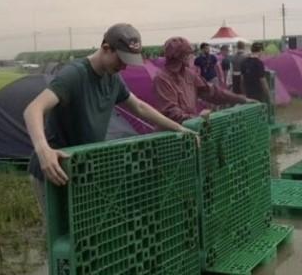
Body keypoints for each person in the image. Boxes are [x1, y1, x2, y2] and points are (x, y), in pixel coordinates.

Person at [24, 23, 195, 209]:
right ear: (106, 48)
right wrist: (43, 151)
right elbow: (33, 109)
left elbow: (139, 106)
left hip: (80, 169)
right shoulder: (75, 74)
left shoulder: (113, 77)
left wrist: (179, 128)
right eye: (121, 60)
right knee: (59, 234)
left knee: (80, 229)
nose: (123, 67)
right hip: (53, 170)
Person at [153, 36, 253, 123]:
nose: (191, 57)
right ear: (181, 56)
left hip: (190, 130)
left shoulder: (189, 75)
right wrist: (197, 119)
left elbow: (213, 92)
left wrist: (242, 99)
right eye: (188, 54)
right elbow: (171, 113)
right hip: (173, 136)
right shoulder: (162, 79)